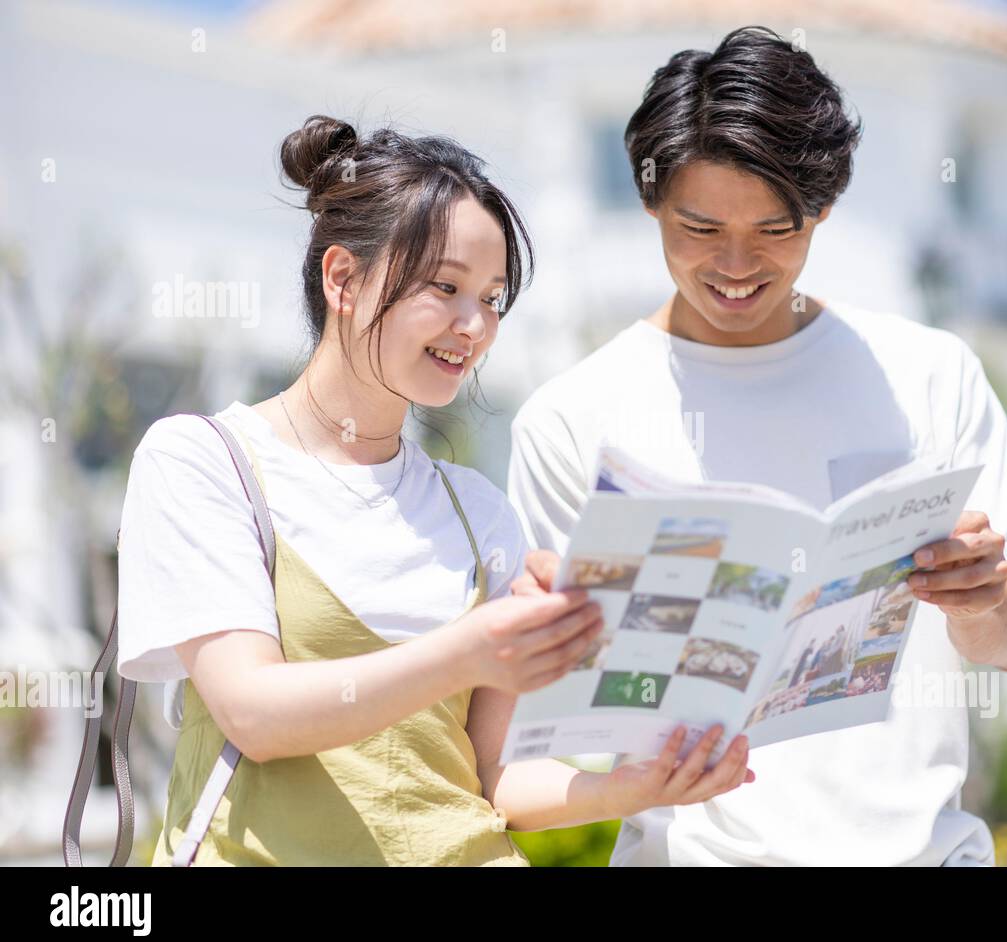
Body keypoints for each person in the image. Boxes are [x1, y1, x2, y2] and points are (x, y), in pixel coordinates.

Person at [116, 115, 752, 866]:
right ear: (343, 279)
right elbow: (253, 712)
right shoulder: (205, 461)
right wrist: (468, 652)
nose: (474, 325)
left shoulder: (476, 509)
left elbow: (491, 777)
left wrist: (634, 786)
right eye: (446, 287)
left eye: (491, 298)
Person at [507, 27, 1007, 866]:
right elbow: (536, 720)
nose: (736, 264)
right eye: (698, 227)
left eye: (776, 229)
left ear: (824, 208)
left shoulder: (928, 373)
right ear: (649, 200)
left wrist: (984, 599)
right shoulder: (572, 416)